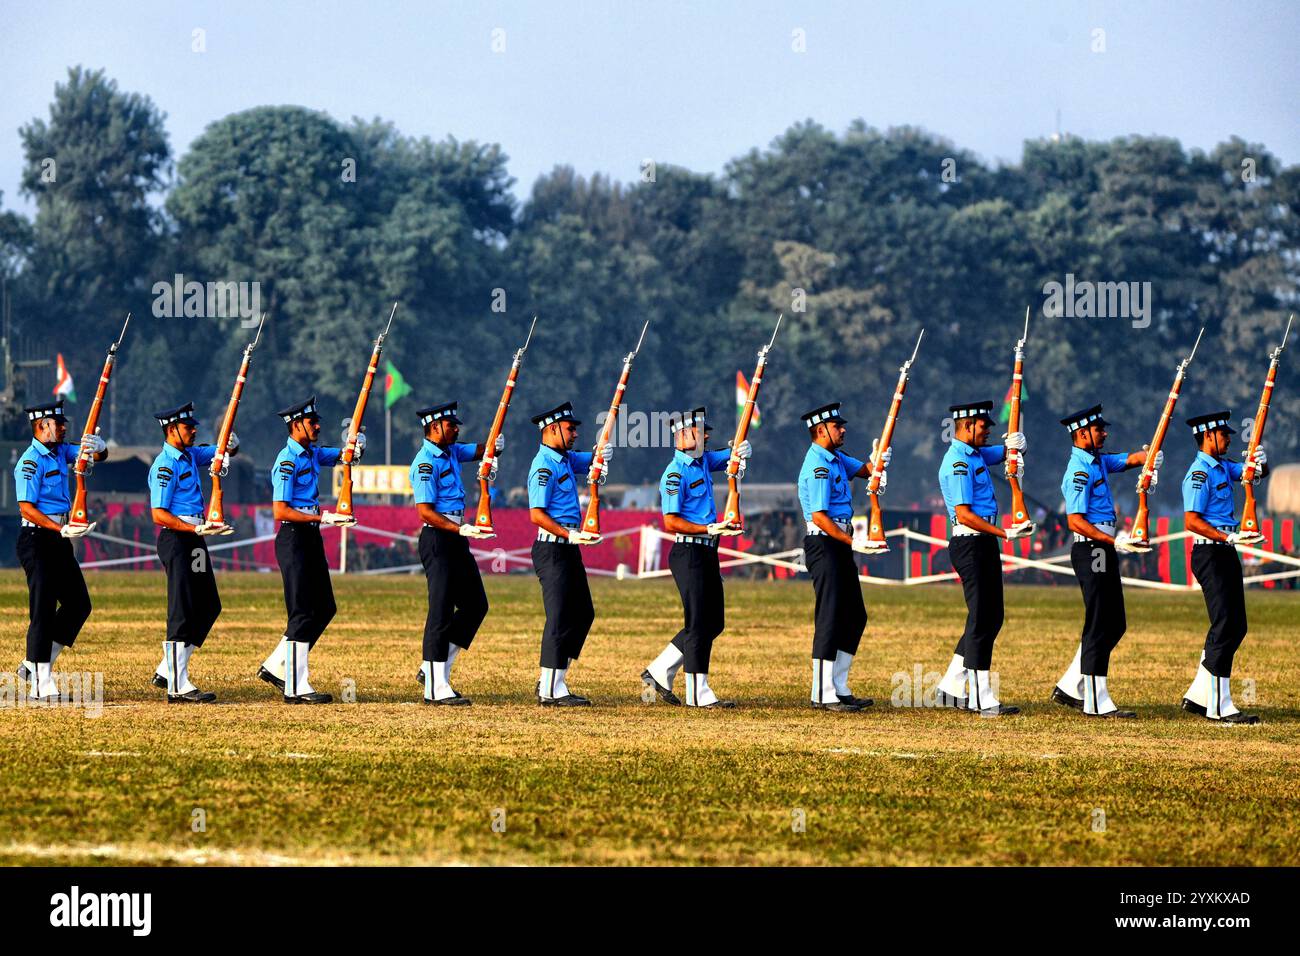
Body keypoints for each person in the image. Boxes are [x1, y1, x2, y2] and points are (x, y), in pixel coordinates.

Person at [1051, 404, 1158, 718]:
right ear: (1083, 434)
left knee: (1115, 623)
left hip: (1103, 548)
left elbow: (1128, 460)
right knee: (1100, 621)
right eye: (1099, 429)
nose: (1105, 433)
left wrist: (1150, 455)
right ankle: (1095, 701)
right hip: (1093, 549)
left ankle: (1072, 686)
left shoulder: (1096, 461)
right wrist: (1114, 541)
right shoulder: (1080, 470)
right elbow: (1075, 521)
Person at [641, 406, 751, 708]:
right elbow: (671, 521)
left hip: (706, 550)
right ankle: (697, 692)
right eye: (701, 432)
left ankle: (659, 669)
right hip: (688, 550)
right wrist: (708, 527)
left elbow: (729, 460)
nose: (706, 436)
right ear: (683, 436)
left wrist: (739, 449)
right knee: (699, 620)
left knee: (713, 621)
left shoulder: (701, 461)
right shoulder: (674, 474)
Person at [257, 396, 365, 703]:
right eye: (312, 422)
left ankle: (277, 666)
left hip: (311, 537)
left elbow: (345, 457)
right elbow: (281, 510)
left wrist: (355, 446)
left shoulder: (312, 454)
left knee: (325, 607)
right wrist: (323, 515)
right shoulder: (287, 461)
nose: (318, 426)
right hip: (294, 538)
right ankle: (295, 684)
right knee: (302, 611)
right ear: (295, 425)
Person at [934, 401, 1030, 716]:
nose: (989, 430)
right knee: (981, 618)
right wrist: (1004, 533)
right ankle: (980, 696)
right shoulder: (957, 462)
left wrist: (1015, 445)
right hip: (970, 543)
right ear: (966, 426)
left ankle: (950, 686)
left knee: (991, 616)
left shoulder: (974, 454)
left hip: (984, 543)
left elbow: (1005, 454)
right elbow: (964, 514)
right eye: (983, 425)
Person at [796, 402, 889, 712]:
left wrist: (878, 461)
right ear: (821, 431)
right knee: (831, 615)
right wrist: (855, 541)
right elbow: (820, 517)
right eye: (837, 426)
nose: (843, 429)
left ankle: (838, 685)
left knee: (855, 615)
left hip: (838, 543)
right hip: (825, 543)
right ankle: (821, 692)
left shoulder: (836, 459)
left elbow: (865, 471)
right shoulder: (819, 466)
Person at [146, 402, 239, 703]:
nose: (194, 430)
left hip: (195, 540)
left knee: (209, 605)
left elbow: (218, 452)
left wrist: (230, 444)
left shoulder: (189, 456)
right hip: (178, 539)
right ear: (172, 430)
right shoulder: (164, 465)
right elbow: (159, 514)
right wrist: (192, 531)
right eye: (188, 427)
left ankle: (167, 669)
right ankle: (177, 684)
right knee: (182, 609)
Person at [13, 401, 107, 700]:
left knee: (79, 604)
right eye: (58, 422)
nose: (64, 426)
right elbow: (26, 507)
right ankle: (42, 684)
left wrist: (101, 449)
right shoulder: (30, 461)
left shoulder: (60, 451)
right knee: (42, 610)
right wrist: (59, 529)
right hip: (38, 540)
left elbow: (89, 455)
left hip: (59, 538)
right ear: (42, 426)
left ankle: (34, 664)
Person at [1179, 411, 1268, 724]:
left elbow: (1251, 474)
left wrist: (1260, 458)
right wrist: (1226, 534)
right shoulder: (1199, 473)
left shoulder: (1221, 468)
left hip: (1225, 553)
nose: (1229, 439)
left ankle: (1199, 695)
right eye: (1223, 434)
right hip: (1210, 554)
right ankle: (1219, 705)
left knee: (1236, 625)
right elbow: (1191, 520)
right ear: (1207, 437)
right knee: (1225, 625)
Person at [410, 401, 500, 705]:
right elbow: (425, 511)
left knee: (476, 605)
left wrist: (495, 444)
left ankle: (433, 668)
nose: (457, 429)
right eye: (451, 425)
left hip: (457, 538)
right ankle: (434, 688)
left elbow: (480, 451)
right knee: (441, 611)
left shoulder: (451, 451)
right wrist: (459, 528)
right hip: (439, 538)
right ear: (435, 427)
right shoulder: (425, 462)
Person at [526, 401, 612, 706]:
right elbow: (537, 514)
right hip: (552, 547)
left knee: (583, 613)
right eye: (569, 428)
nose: (575, 433)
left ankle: (555, 677)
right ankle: (550, 688)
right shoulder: (544, 466)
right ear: (551, 430)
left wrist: (601, 454)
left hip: (568, 548)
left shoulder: (564, 459)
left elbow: (590, 461)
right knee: (559, 616)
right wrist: (569, 533)